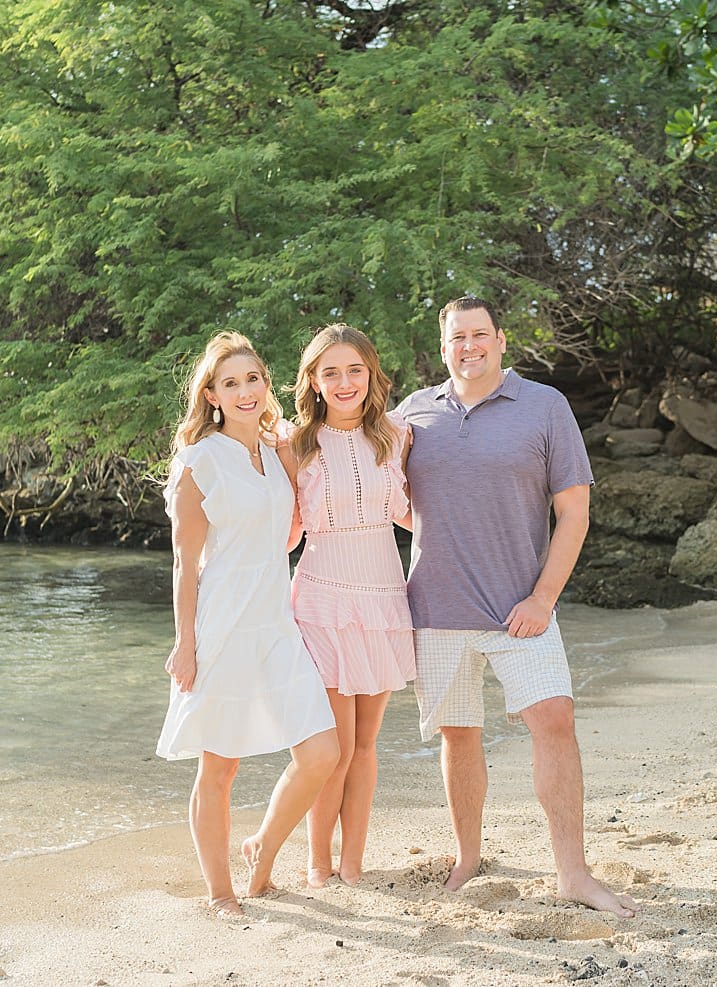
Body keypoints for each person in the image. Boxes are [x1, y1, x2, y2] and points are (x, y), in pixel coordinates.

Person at [394, 296, 639, 918]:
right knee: (458, 735)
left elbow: (575, 513)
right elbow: (369, 482)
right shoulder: (414, 414)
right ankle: (469, 856)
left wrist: (543, 597)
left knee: (554, 720)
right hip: (435, 606)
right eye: (456, 338)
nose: (468, 346)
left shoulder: (545, 407)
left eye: (479, 335)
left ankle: (573, 872)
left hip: (519, 610)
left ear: (501, 340)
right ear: (442, 345)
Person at [156, 331, 340, 917]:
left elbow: (287, 533)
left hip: (278, 622)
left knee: (322, 751)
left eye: (252, 379)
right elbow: (186, 563)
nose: (244, 391)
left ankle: (262, 844)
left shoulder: (276, 450)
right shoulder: (199, 462)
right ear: (210, 394)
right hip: (224, 623)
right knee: (220, 766)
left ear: (266, 384)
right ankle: (220, 892)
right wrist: (185, 645)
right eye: (229, 383)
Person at [284, 324, 416, 888]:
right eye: (330, 372)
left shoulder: (397, 434)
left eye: (354, 370)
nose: (344, 382)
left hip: (385, 595)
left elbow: (413, 515)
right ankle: (318, 862)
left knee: (364, 746)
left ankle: (353, 863)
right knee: (332, 746)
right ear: (312, 381)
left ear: (371, 376)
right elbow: (285, 530)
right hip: (321, 600)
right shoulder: (293, 442)